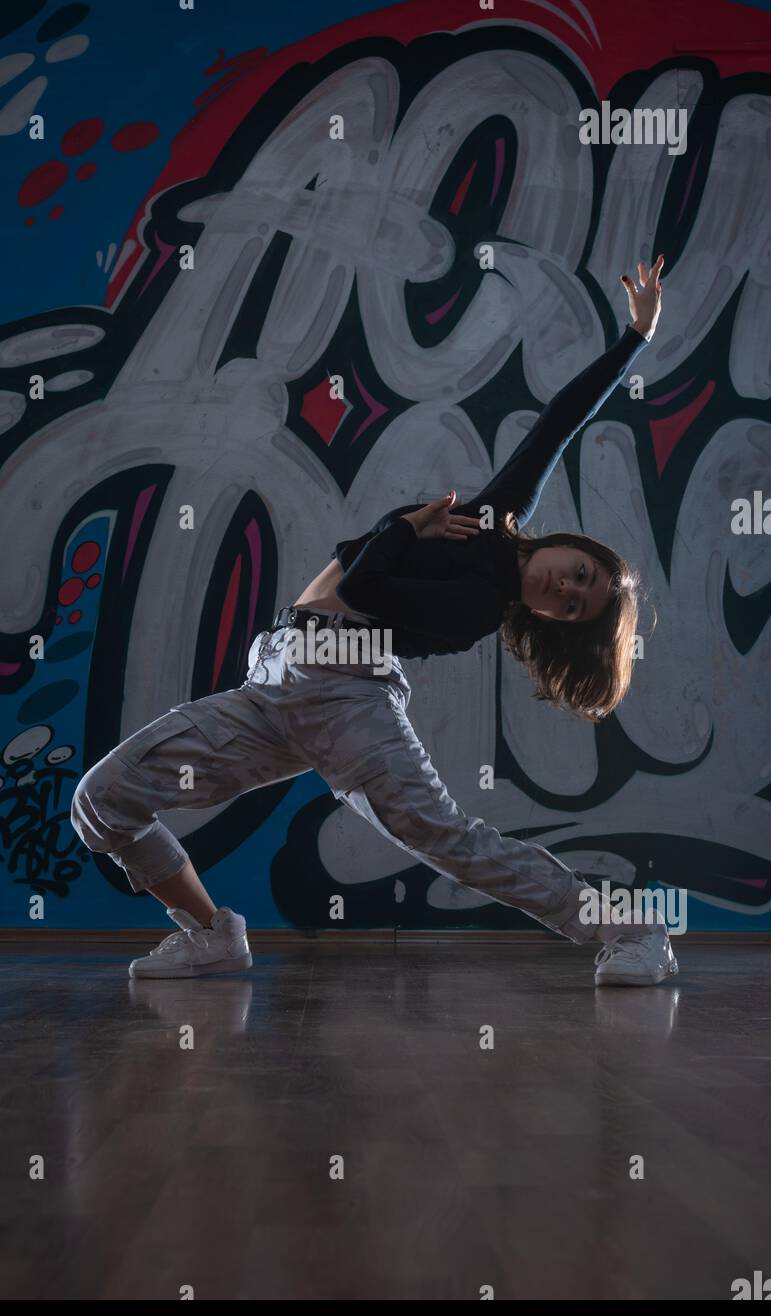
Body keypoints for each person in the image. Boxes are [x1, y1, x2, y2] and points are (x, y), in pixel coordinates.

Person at [71, 255, 678, 987]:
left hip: (344, 699)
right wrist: (633, 340)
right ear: (565, 544)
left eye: (572, 604)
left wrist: (405, 526)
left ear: (552, 620)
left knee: (444, 838)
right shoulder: (492, 515)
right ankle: (209, 933)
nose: (565, 586)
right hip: (272, 681)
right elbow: (559, 421)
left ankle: (629, 927)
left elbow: (362, 580)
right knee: (102, 801)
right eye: (578, 571)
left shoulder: (474, 612)